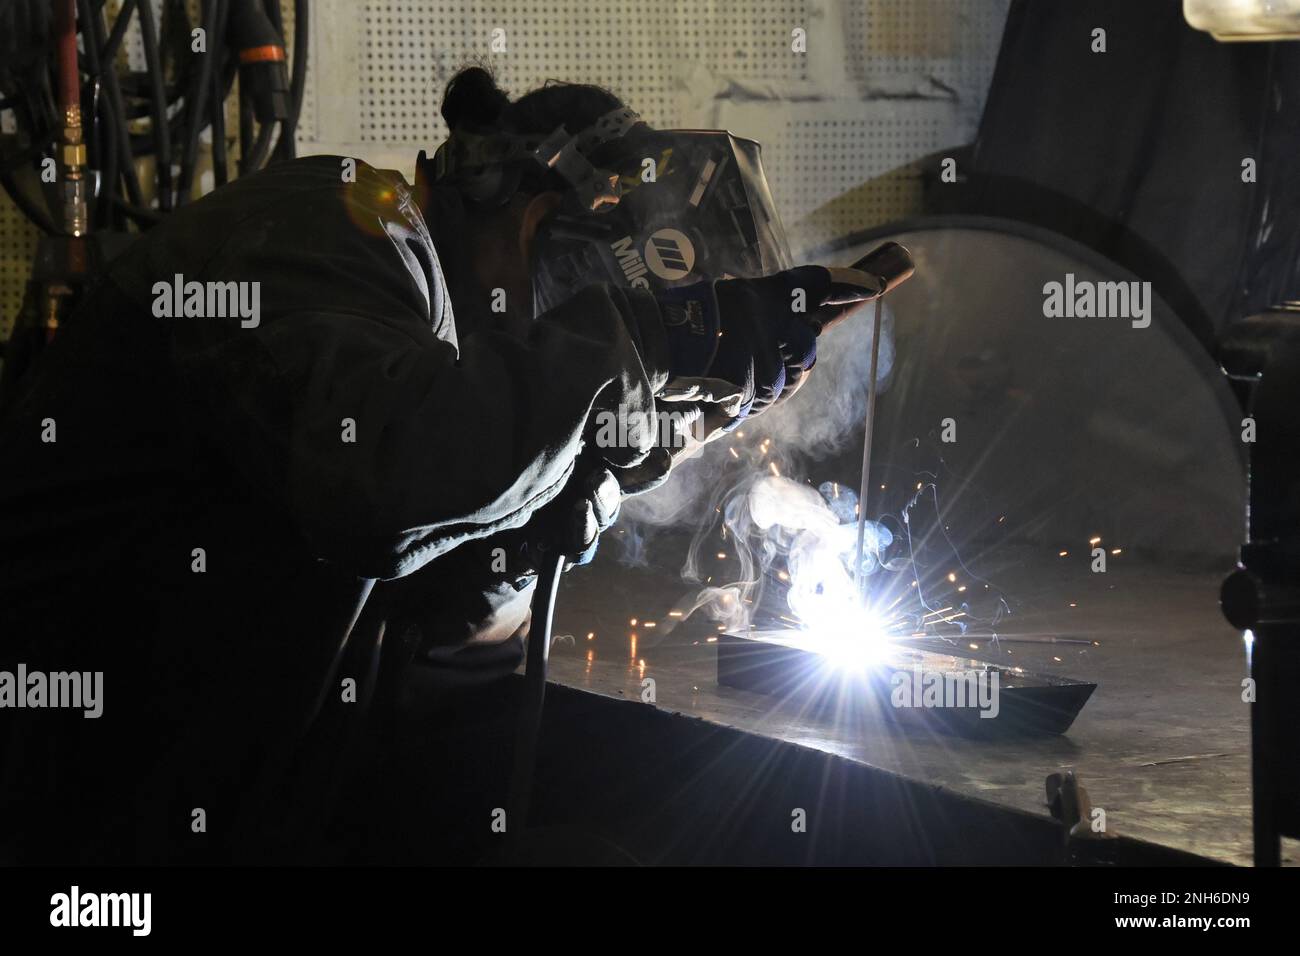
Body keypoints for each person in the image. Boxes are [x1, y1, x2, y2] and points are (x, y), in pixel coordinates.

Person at [0, 67, 834, 862]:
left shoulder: (441, 367)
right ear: (534, 223)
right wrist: (642, 348)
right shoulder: (342, 221)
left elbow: (426, 642)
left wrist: (546, 503)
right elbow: (383, 478)